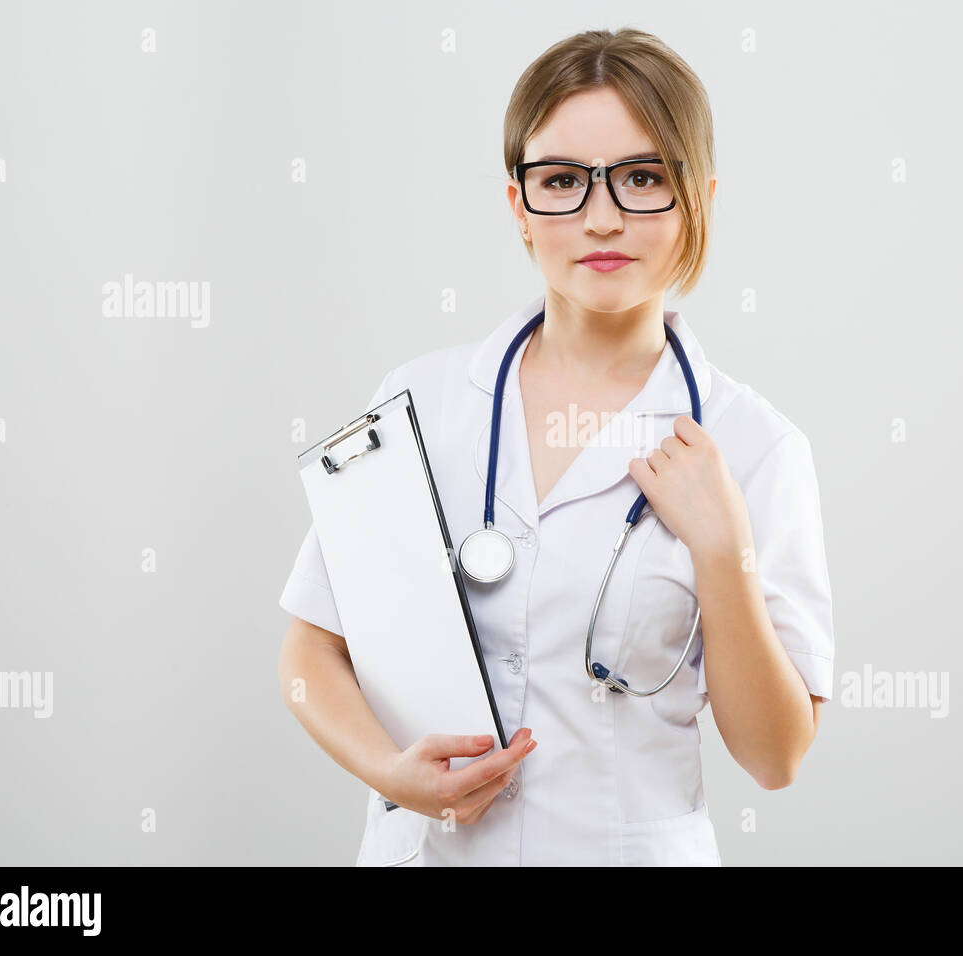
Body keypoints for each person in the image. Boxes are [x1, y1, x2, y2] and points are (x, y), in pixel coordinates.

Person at [277, 27, 835, 866]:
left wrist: (725, 553)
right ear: (519, 207)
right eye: (564, 182)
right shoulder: (420, 404)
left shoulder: (755, 447)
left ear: (699, 200)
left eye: (644, 178)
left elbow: (775, 755)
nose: (602, 217)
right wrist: (394, 772)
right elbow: (312, 648)